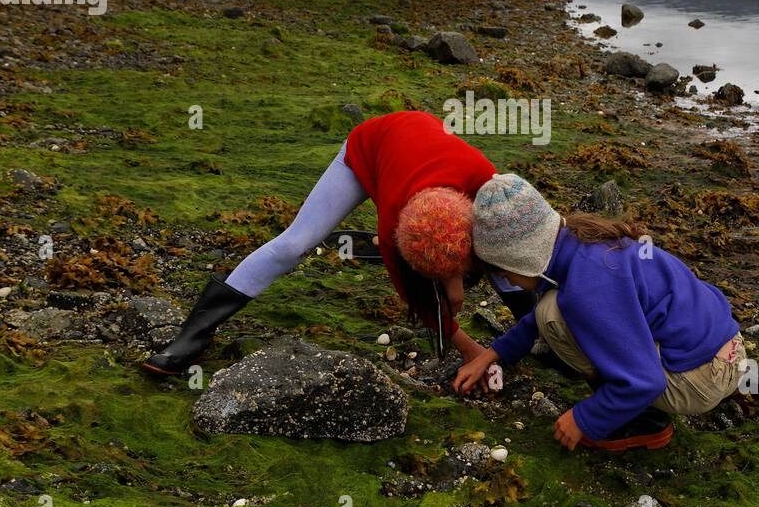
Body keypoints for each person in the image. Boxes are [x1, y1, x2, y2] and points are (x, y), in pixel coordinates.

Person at [141, 111, 498, 375]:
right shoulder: (394, 220)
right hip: (371, 146)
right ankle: (194, 334)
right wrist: (468, 348)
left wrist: (455, 283)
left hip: (427, 152)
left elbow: (523, 239)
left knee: (496, 245)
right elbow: (411, 291)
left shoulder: (486, 180)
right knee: (293, 246)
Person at [454, 173, 759, 452]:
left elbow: (646, 381)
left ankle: (643, 422)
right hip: (727, 345)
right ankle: (748, 378)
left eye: (504, 273)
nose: (506, 281)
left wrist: (585, 419)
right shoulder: (586, 240)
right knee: (551, 306)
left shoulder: (586, 290)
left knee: (553, 316)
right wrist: (492, 354)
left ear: (521, 261)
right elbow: (534, 315)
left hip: (698, 380)